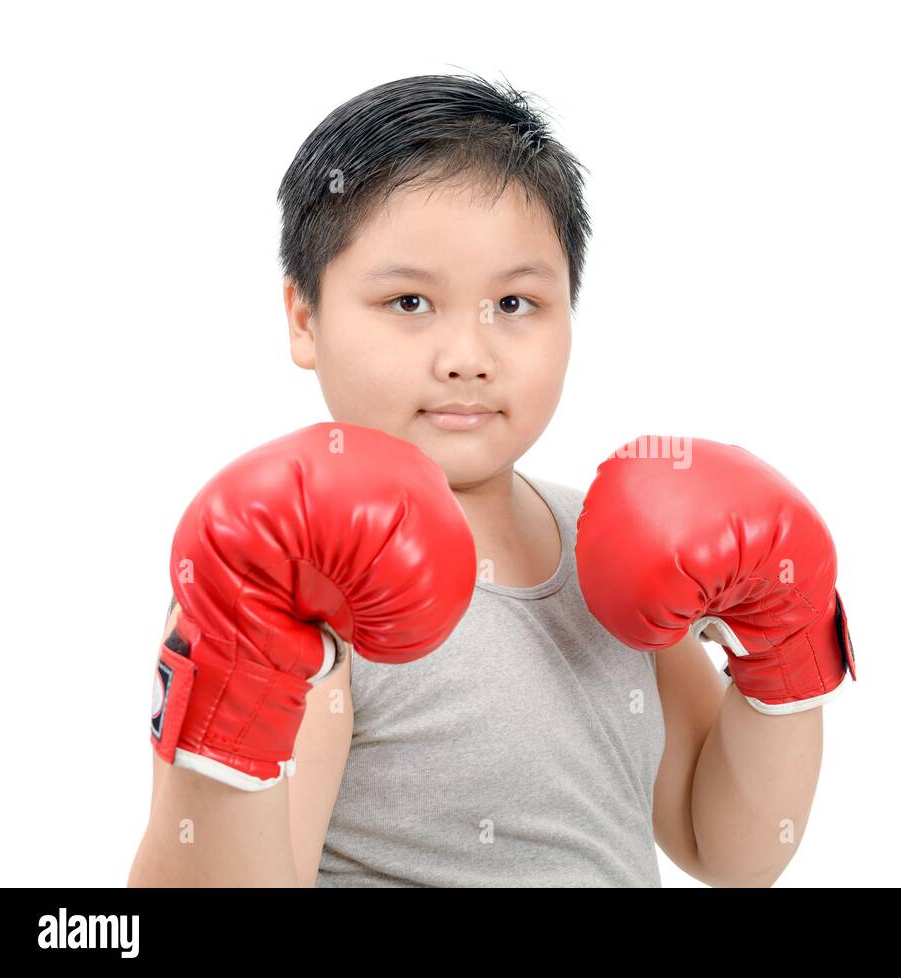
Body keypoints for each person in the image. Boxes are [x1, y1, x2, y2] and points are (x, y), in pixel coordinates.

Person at [128, 73, 852, 889]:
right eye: (408, 301)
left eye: (513, 303)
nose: (467, 356)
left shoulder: (614, 549)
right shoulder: (291, 571)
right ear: (304, 318)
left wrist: (786, 656)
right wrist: (236, 684)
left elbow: (728, 852)